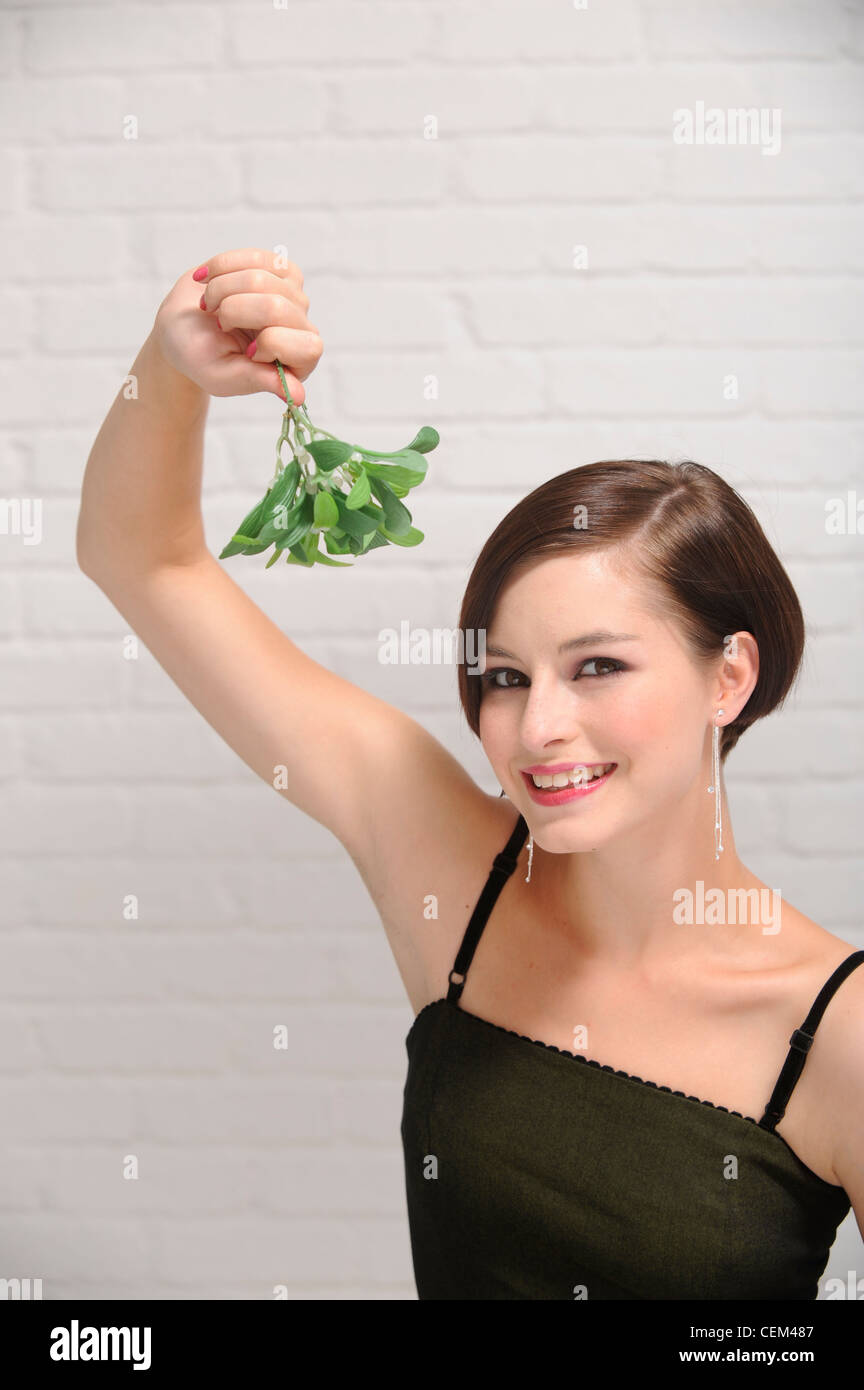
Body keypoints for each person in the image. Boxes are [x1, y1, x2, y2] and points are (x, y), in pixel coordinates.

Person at [78, 247, 864, 1301]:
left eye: (597, 666)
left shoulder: (836, 1027)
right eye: (503, 675)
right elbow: (143, 557)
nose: (537, 726)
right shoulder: (455, 874)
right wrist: (171, 367)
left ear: (730, 675)